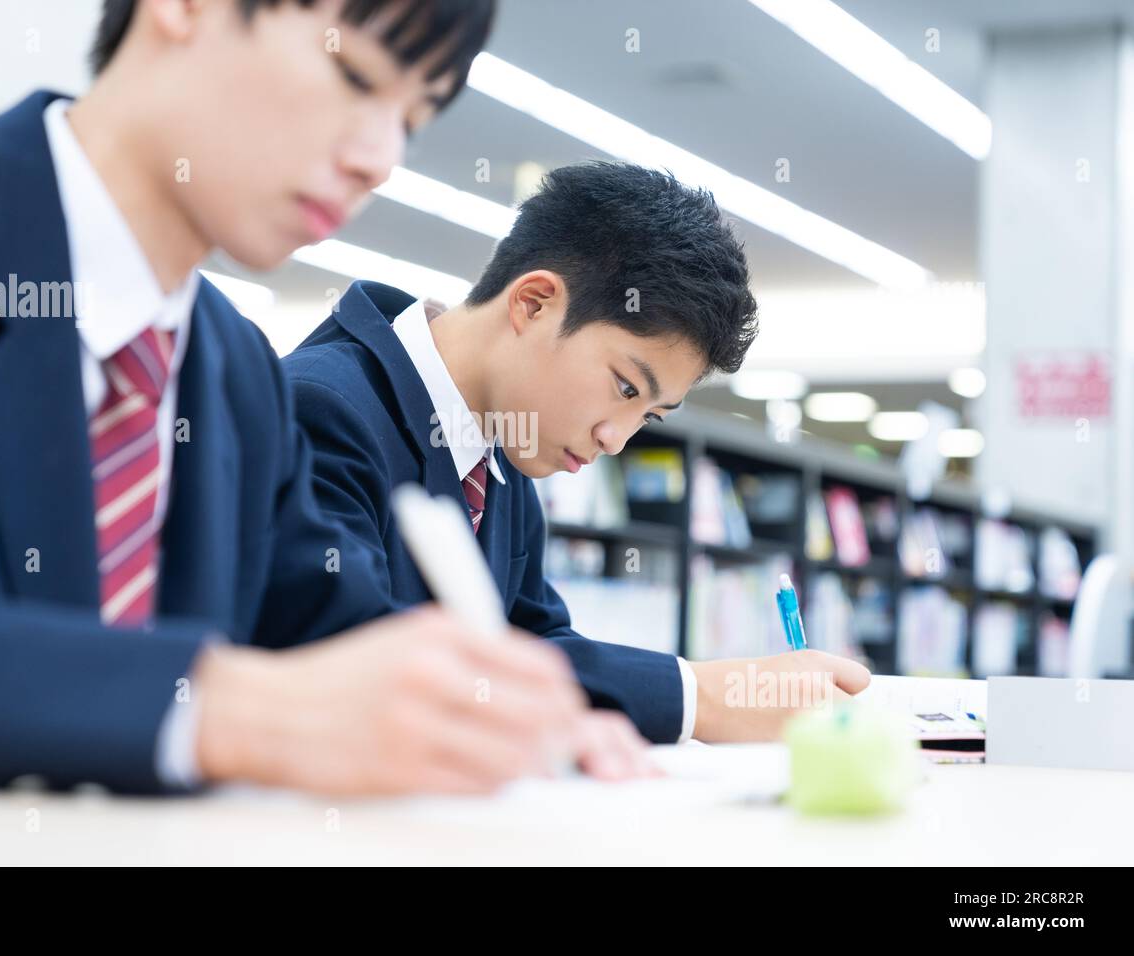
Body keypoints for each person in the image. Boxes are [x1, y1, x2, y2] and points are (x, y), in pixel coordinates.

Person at [0, 0, 648, 796]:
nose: (379, 156)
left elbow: (328, 619)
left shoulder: (235, 374)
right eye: (354, 74)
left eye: (412, 118)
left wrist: (488, 710)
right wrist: (227, 708)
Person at [284, 162, 871, 745]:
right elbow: (352, 657)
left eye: (647, 416)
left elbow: (534, 646)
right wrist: (700, 696)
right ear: (534, 303)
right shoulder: (324, 408)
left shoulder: (499, 456)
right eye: (624, 388)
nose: (616, 439)